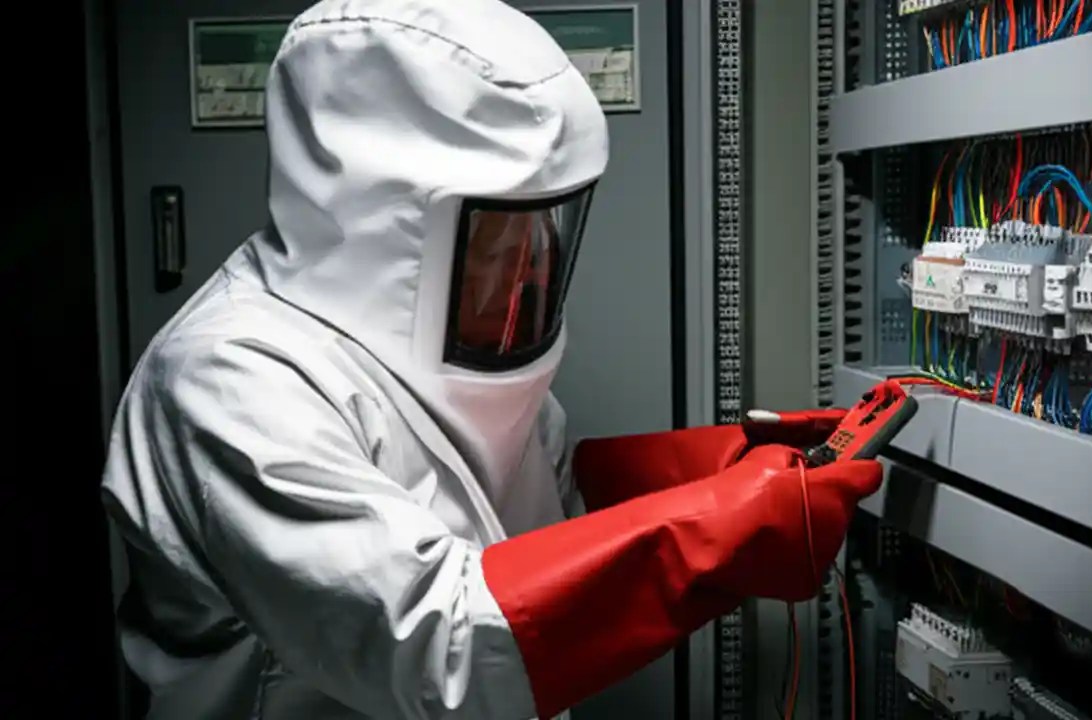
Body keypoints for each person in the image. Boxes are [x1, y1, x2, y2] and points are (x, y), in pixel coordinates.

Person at [99, 1, 884, 718]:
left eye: (550, 230)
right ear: (391, 227)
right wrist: (708, 533)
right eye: (504, 236)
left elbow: (527, 504)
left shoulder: (447, 351)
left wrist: (709, 469)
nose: (533, 268)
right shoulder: (228, 382)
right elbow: (436, 641)